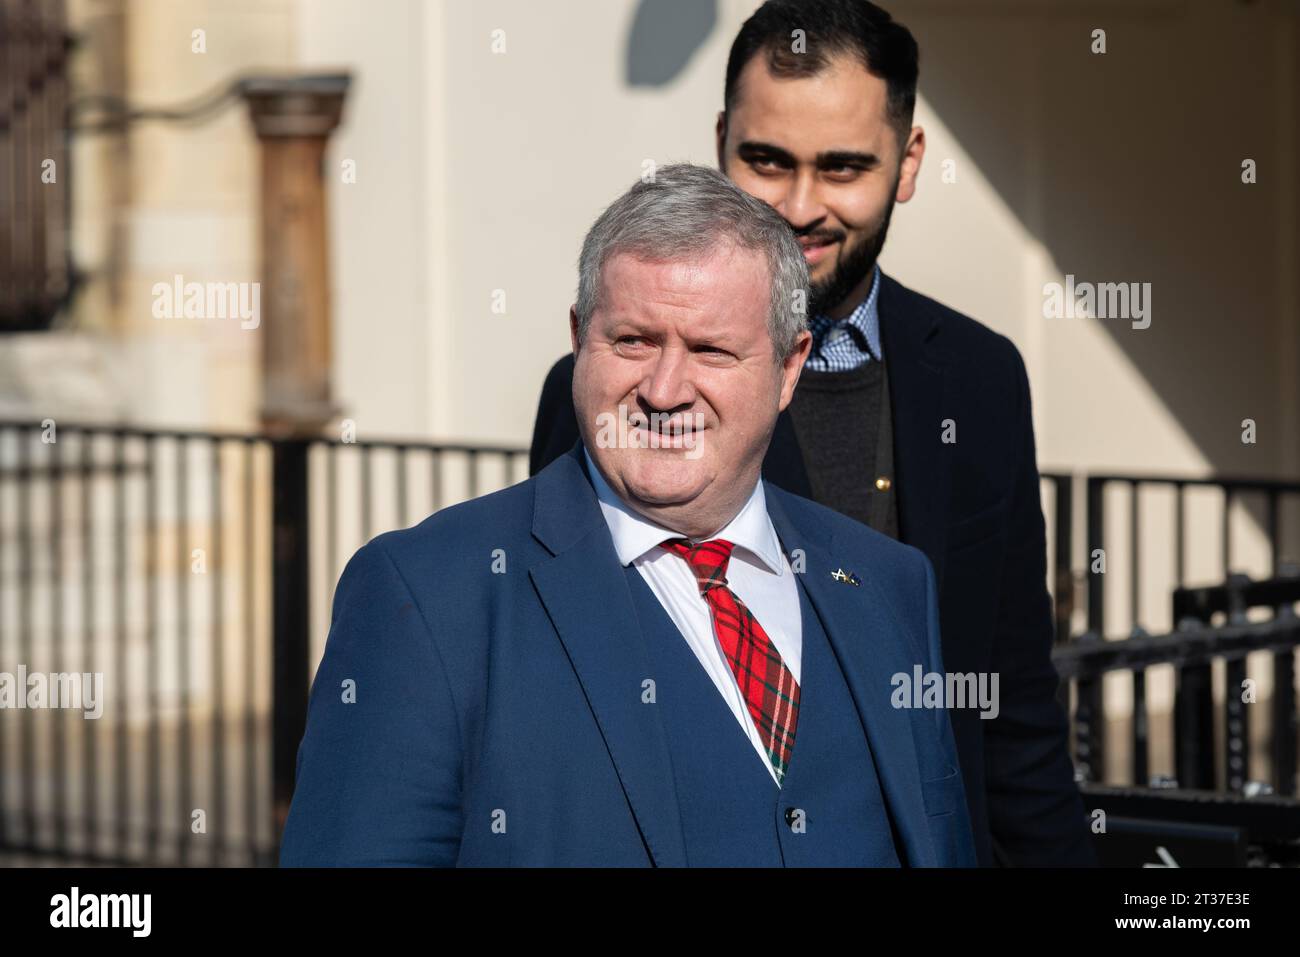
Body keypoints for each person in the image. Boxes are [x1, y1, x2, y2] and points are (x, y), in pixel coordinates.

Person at [527, 0, 1093, 866]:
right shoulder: (615, 394)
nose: (800, 205)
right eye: (766, 160)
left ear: (907, 164)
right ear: (721, 143)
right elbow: (576, 693)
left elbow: (1014, 713)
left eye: (842, 167)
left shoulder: (980, 379)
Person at [280, 164, 976, 866]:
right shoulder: (428, 596)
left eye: (710, 349)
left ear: (790, 368)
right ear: (580, 339)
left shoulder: (888, 585)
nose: (665, 389)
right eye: (634, 341)